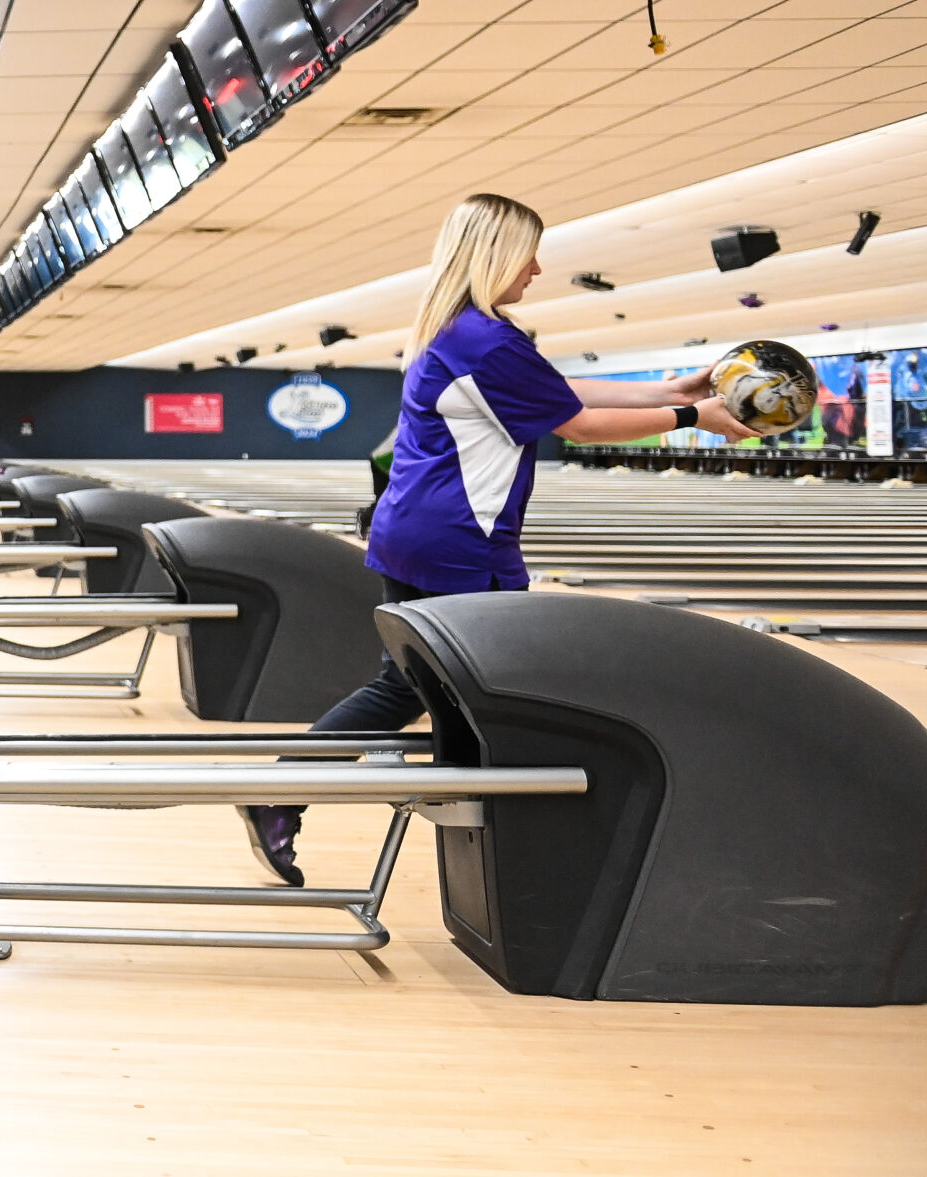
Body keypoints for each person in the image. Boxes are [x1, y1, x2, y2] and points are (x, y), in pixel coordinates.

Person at [237, 193, 758, 887]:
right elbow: (576, 425)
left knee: (413, 685)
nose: (537, 269)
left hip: (415, 531)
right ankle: (495, 843)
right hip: (459, 541)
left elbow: (558, 392)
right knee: (476, 686)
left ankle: (298, 794)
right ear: (495, 255)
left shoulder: (460, 330)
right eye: (529, 255)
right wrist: (691, 417)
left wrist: (666, 391)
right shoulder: (488, 340)